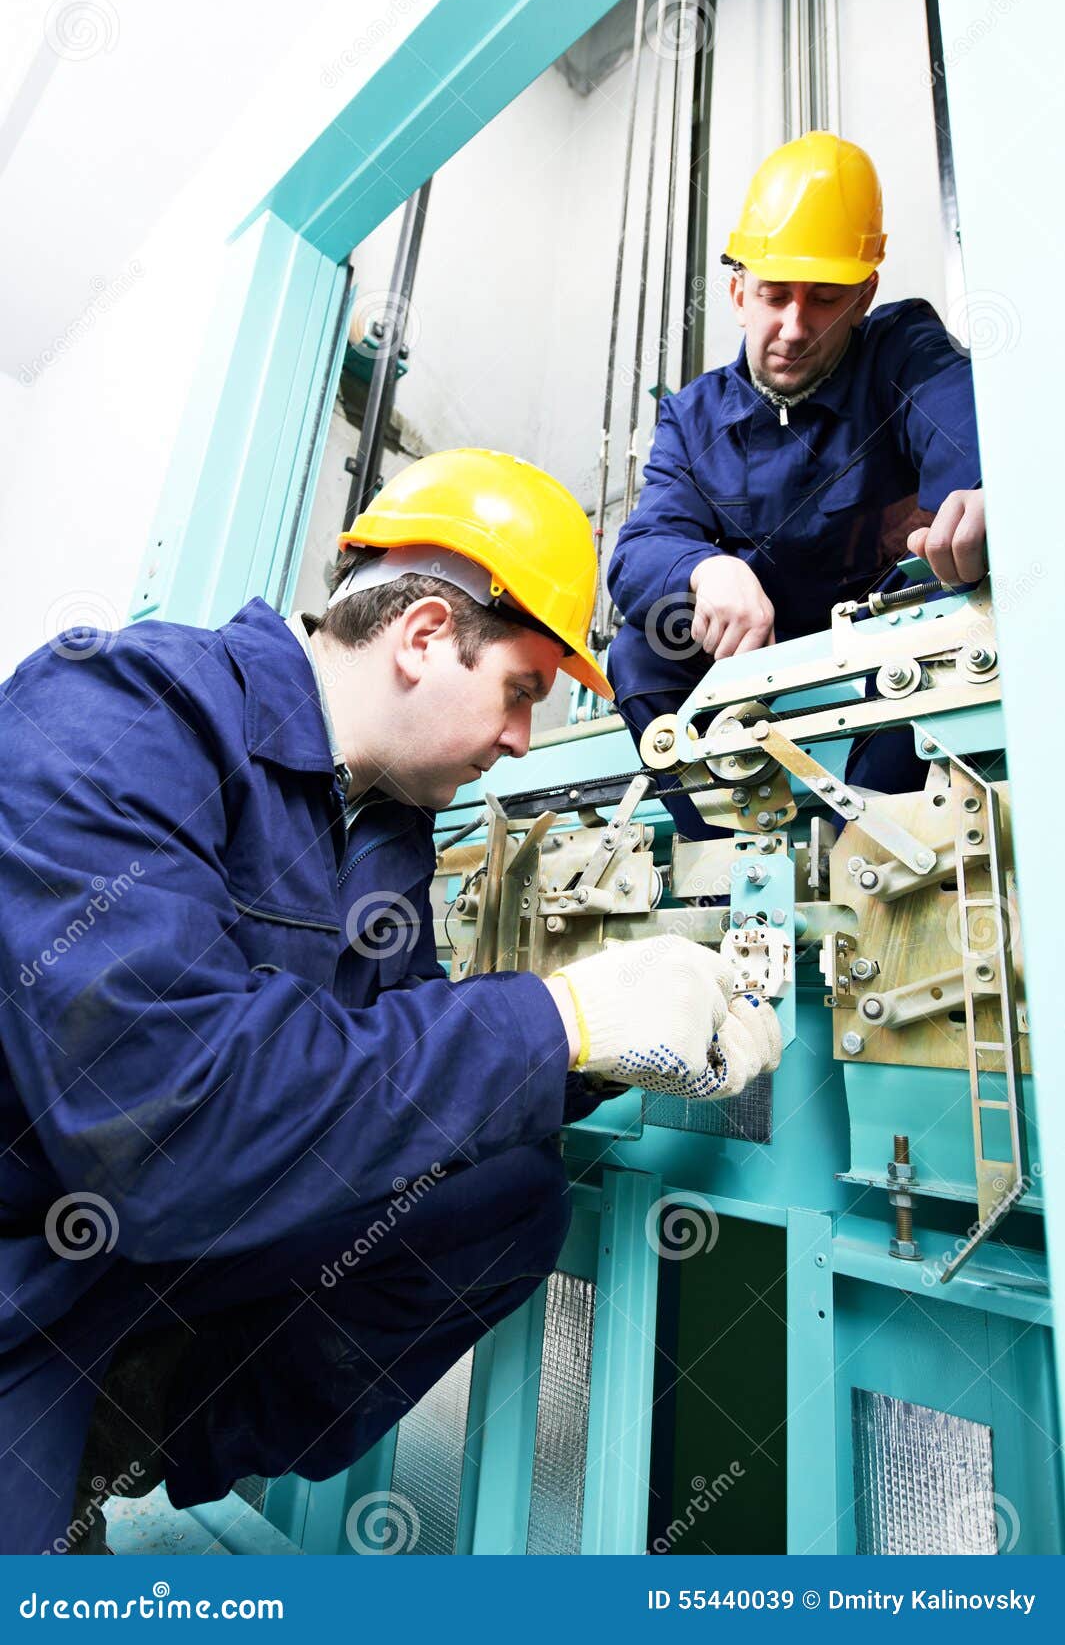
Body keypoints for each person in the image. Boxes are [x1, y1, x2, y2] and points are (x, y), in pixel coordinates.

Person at [0, 448, 780, 1554]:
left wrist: (608, 1047)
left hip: (130, 1261)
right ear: (422, 636)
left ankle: (121, 1437)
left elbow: (392, 1091)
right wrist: (561, 1015)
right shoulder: (124, 714)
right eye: (521, 690)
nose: (522, 738)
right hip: (27, 1265)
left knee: (502, 1195)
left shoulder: (382, 834)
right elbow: (172, 1120)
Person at [606, 131, 985, 833]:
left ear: (865, 293)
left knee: (944, 614)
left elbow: (960, 423)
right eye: (773, 295)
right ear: (736, 292)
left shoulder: (900, 350)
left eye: (824, 299)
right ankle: (725, 851)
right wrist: (702, 569)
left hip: (881, 632)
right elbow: (638, 551)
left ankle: (872, 839)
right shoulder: (691, 418)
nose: (792, 326)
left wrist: (981, 489)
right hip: (754, 643)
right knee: (639, 647)